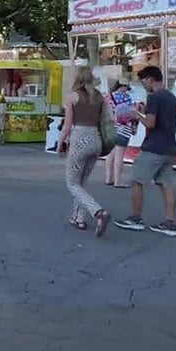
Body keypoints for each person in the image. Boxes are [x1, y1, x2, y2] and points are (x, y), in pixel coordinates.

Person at [114, 66, 176, 237]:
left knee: (137, 180)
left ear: (150, 79)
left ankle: (136, 218)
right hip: (169, 147)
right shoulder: (171, 97)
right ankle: (170, 222)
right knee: (166, 184)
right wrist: (145, 112)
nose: (143, 85)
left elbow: (151, 123)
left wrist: (137, 114)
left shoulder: (154, 97)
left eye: (143, 81)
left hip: (153, 147)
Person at [57, 67, 113, 237]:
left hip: (80, 138)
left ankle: (98, 211)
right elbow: (107, 120)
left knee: (72, 183)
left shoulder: (72, 96)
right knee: (82, 182)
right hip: (96, 139)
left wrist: (60, 143)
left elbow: (67, 125)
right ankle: (78, 218)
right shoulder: (99, 97)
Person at [105, 80, 135, 188]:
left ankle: (109, 178)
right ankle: (118, 181)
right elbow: (131, 112)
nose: (127, 89)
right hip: (123, 128)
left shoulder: (109, 97)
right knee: (119, 156)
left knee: (111, 154)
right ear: (123, 86)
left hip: (111, 128)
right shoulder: (126, 97)